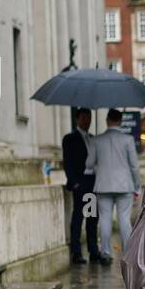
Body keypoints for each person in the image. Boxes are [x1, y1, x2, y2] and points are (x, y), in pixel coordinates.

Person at [91, 108, 141, 266]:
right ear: (120, 121)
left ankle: (105, 253)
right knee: (124, 221)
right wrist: (137, 187)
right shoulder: (128, 140)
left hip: (103, 185)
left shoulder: (97, 140)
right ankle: (127, 254)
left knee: (104, 220)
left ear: (107, 120)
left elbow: (89, 163)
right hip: (125, 185)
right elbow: (134, 166)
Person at [62, 108, 102, 265]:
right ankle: (76, 253)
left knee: (92, 217)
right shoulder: (69, 138)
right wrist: (74, 182)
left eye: (89, 118)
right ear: (77, 119)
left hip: (92, 183)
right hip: (80, 184)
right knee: (78, 218)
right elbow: (68, 162)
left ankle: (93, 251)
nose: (87, 121)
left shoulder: (93, 138)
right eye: (84, 118)